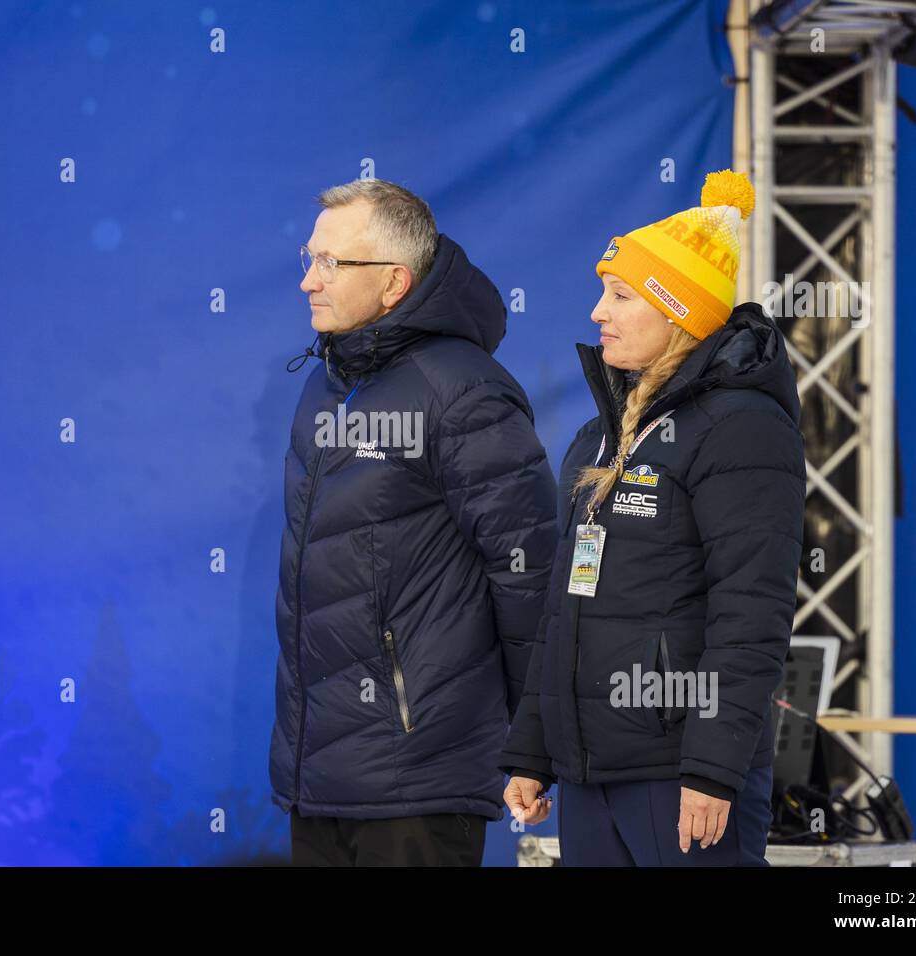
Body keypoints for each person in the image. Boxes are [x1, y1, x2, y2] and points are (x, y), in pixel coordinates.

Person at [499, 170, 805, 866]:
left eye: (620, 294)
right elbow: (564, 607)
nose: (597, 312)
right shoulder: (600, 435)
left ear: (679, 313)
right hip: (592, 771)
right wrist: (535, 751)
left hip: (680, 775)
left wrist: (713, 768)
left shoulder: (742, 428)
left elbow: (750, 611)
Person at [271, 179, 557, 866]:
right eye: (309, 258)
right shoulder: (329, 379)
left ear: (394, 282)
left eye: (330, 262)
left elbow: (529, 576)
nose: (309, 280)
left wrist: (535, 743)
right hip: (320, 781)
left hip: (420, 781)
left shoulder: (465, 390)